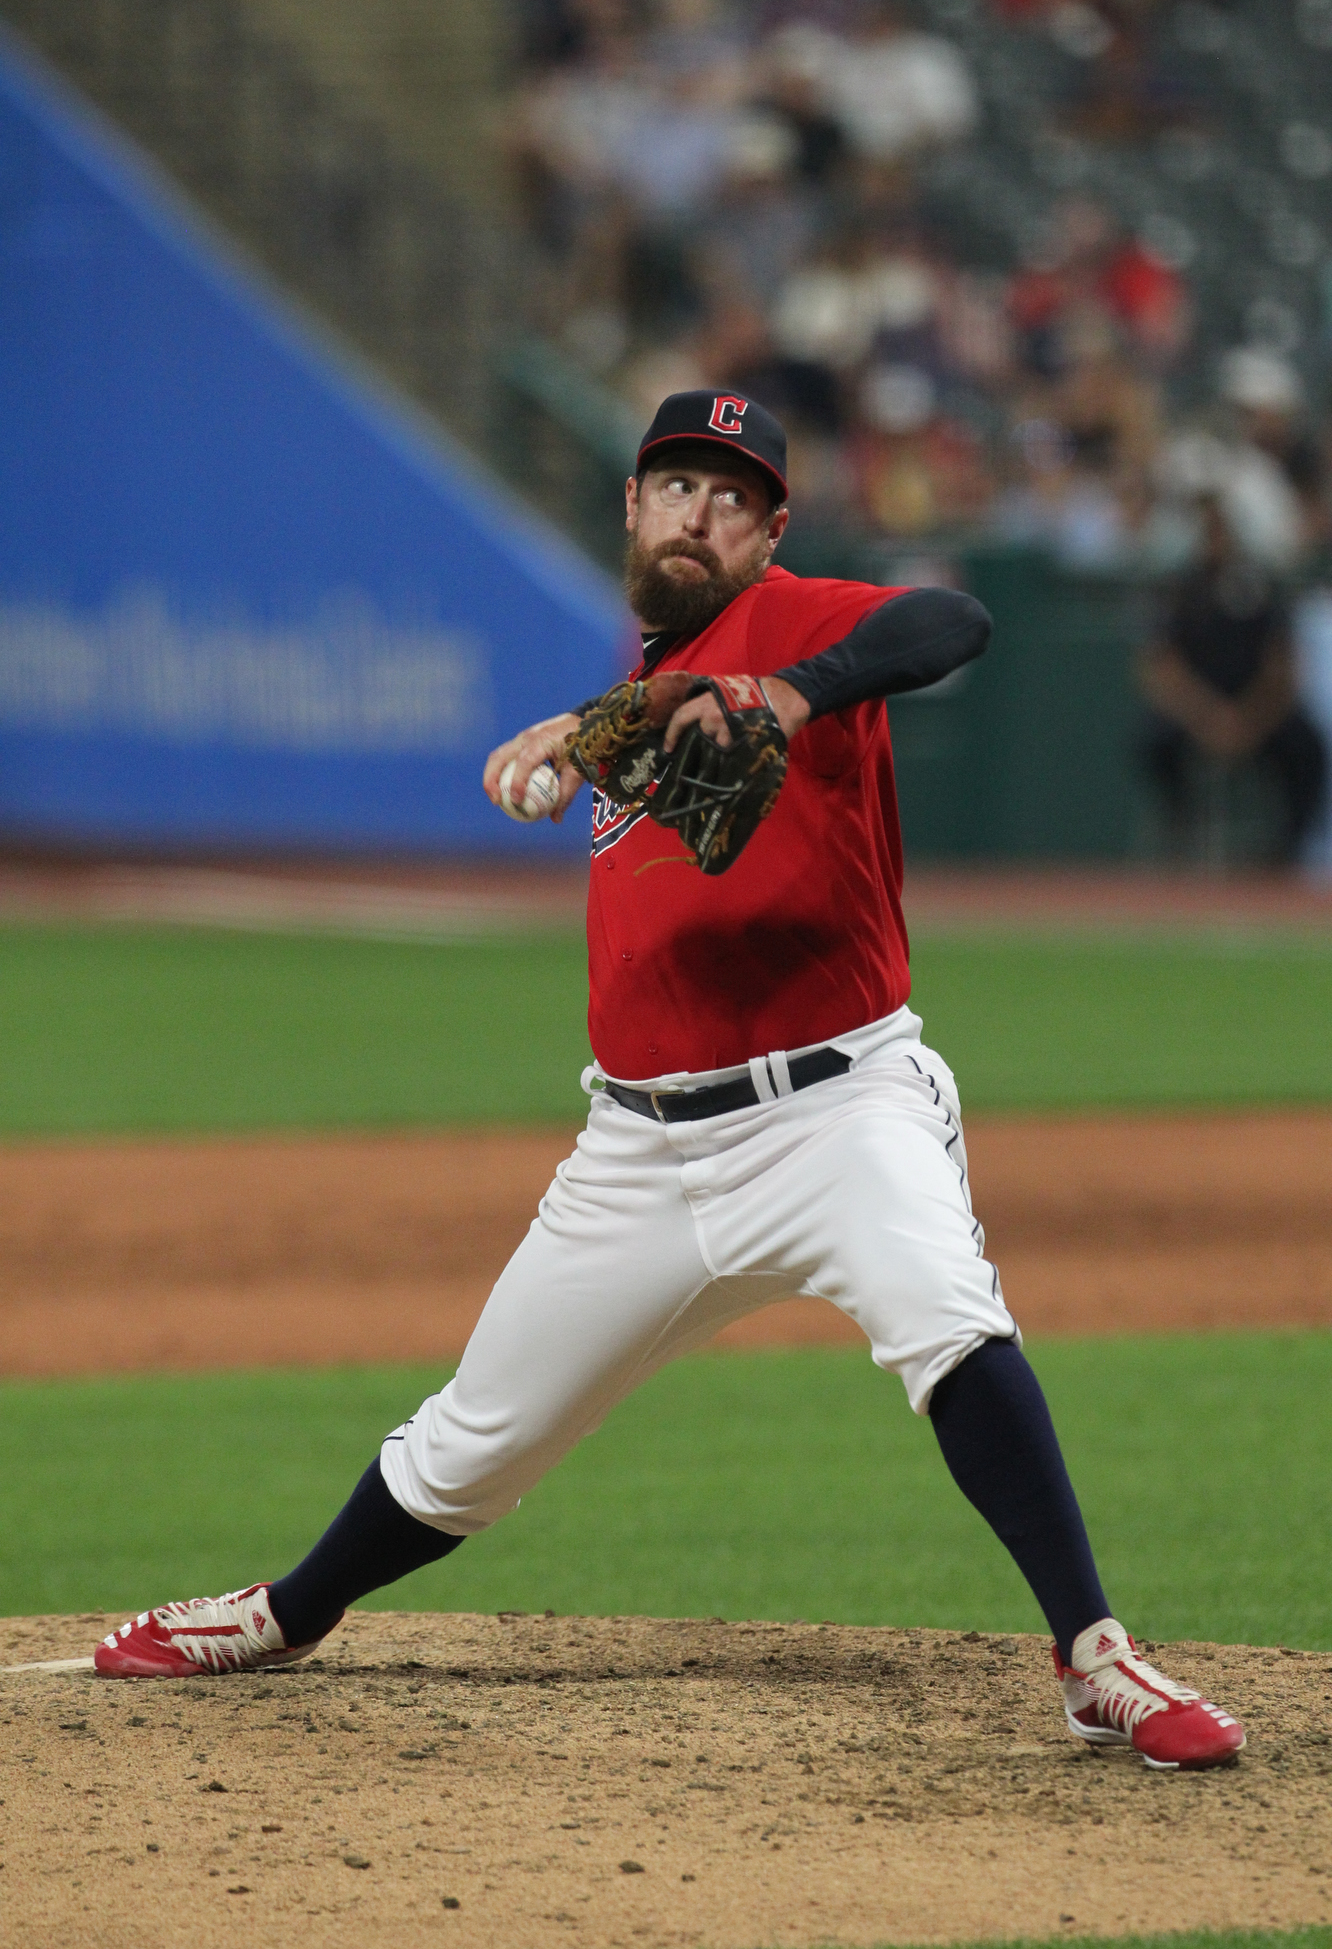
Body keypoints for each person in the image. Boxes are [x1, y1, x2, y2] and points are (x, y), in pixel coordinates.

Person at [96, 392, 1245, 1774]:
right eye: (676, 486)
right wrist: (619, 713)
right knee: (470, 1447)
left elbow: (952, 622)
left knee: (947, 1320)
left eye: (732, 497)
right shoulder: (631, 702)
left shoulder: (801, 625)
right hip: (636, 1153)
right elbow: (655, 719)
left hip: (839, 1108)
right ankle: (283, 1616)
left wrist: (798, 688)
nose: (699, 512)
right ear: (633, 511)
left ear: (768, 535)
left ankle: (1093, 1658)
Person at [1141, 493, 1328, 862]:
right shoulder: (1178, 588)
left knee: (1307, 746)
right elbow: (1160, 667)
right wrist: (1208, 717)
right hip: (1194, 714)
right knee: (1152, 741)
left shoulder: (1260, 584)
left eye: (1221, 529)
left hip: (1256, 712)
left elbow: (1283, 663)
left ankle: (1287, 851)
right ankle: (1181, 837)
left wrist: (1248, 718)